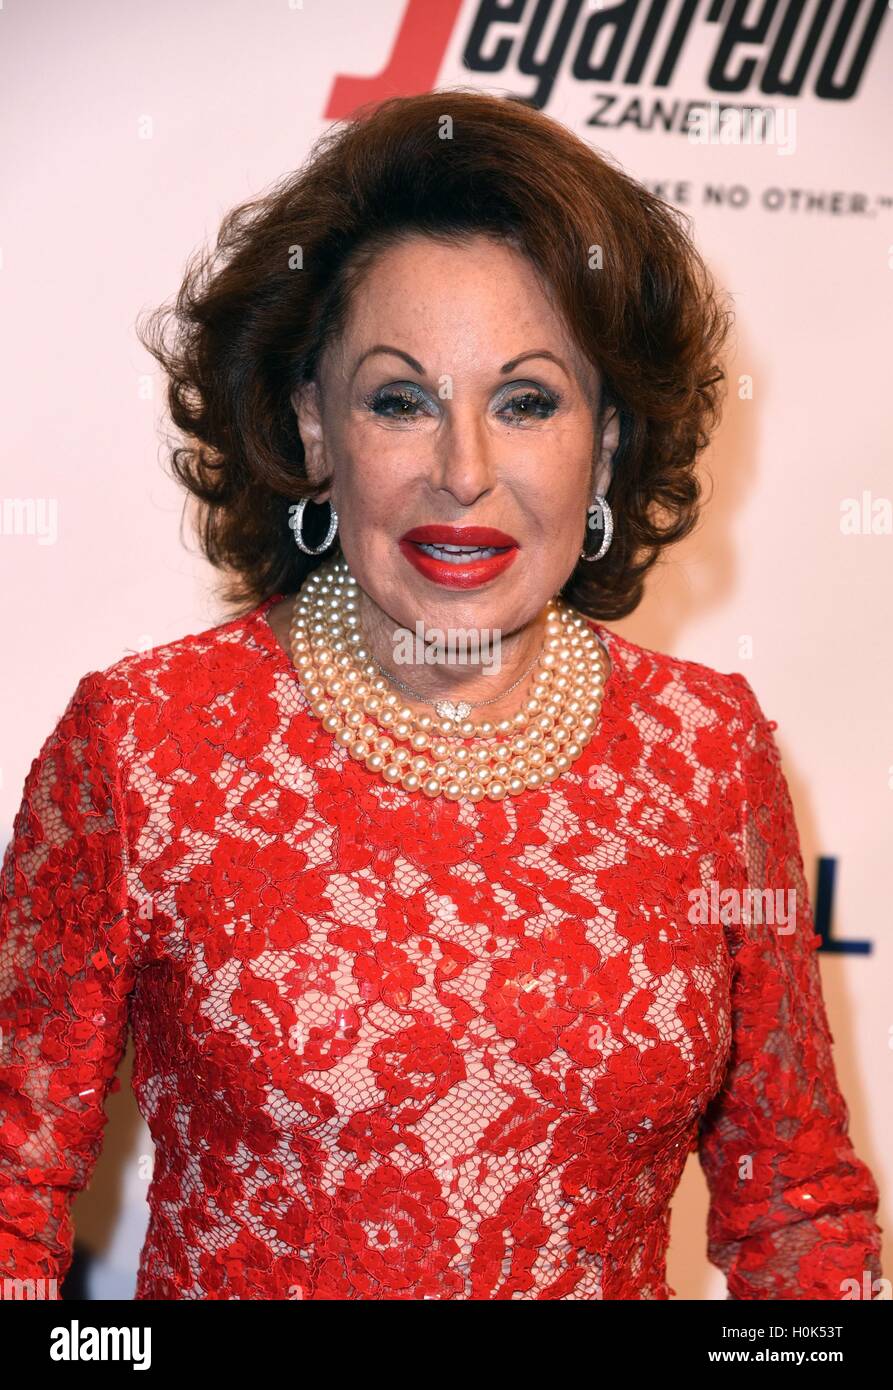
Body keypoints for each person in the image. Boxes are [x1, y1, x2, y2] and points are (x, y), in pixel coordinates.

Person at [0, 89, 882, 1301]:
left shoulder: (708, 755)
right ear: (313, 423)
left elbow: (797, 1212)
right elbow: (10, 1194)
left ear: (608, 443)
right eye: (399, 399)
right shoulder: (146, 745)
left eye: (526, 401)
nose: (462, 471)